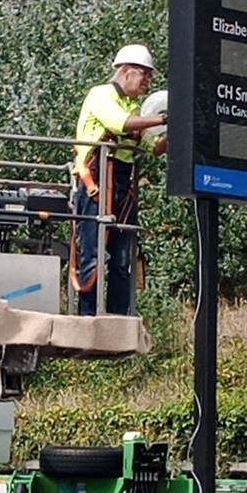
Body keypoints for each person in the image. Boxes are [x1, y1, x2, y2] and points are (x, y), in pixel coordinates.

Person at [71, 44, 167, 316]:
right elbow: (119, 124)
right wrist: (160, 118)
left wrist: (178, 129)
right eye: (144, 75)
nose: (148, 81)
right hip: (97, 182)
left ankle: (117, 316)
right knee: (92, 251)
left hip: (123, 183)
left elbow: (153, 146)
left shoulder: (134, 107)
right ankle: (87, 317)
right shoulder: (100, 96)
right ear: (126, 72)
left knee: (123, 256)